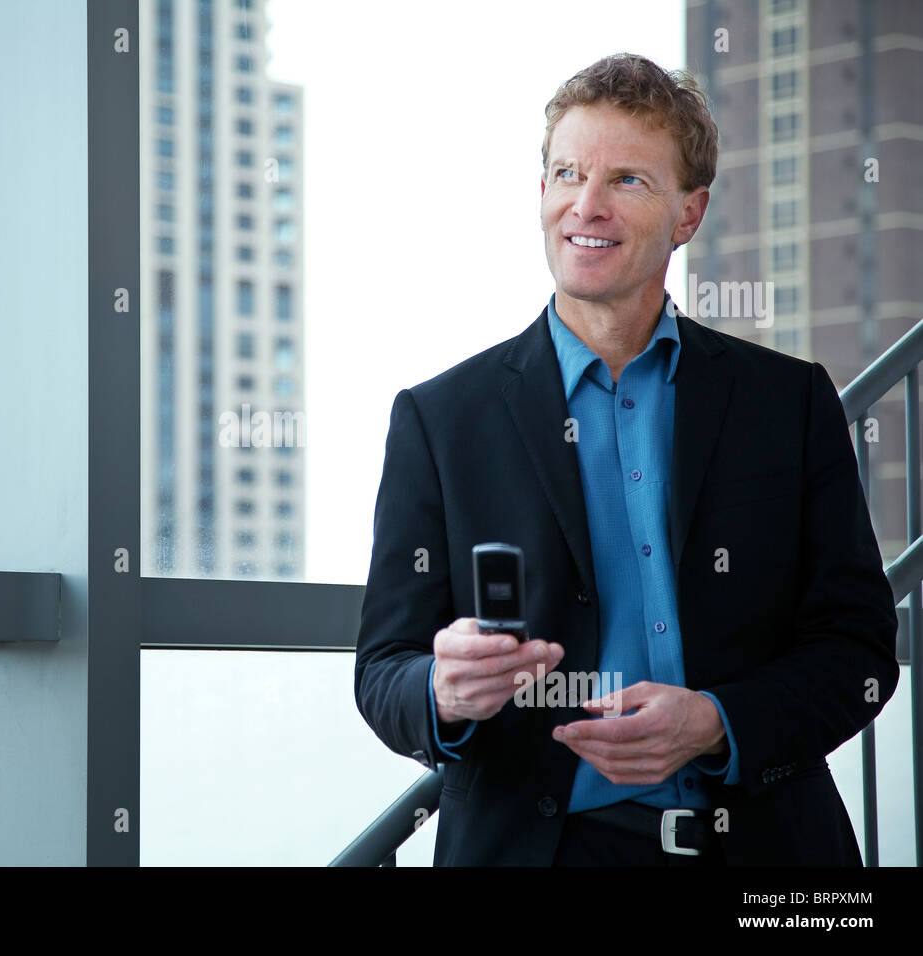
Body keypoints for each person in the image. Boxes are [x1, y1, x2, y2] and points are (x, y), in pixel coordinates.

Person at [353, 52, 900, 866]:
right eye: (566, 173)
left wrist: (719, 721)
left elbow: (858, 648)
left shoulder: (789, 404)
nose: (586, 204)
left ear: (689, 213)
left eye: (627, 180)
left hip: (765, 854)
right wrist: (441, 691)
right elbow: (384, 671)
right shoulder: (441, 418)